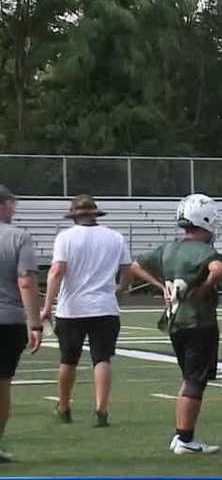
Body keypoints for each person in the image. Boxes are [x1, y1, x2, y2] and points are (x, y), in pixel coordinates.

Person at [129, 195, 222, 454]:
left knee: (188, 377)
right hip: (198, 321)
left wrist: (160, 286)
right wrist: (205, 287)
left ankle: (180, 435)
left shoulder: (168, 248)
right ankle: (185, 439)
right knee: (195, 380)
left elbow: (135, 265)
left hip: (175, 322)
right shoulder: (205, 251)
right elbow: (217, 269)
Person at [39, 195, 130, 427]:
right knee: (102, 358)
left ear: (74, 216)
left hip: (72, 308)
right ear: (95, 214)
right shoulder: (115, 237)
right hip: (105, 306)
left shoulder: (66, 237)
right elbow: (126, 269)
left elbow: (57, 271)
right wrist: (119, 289)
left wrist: (47, 305)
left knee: (68, 360)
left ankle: (64, 405)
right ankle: (101, 409)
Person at [0, 186, 42, 461]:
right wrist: (35, 323)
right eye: (12, 204)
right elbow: (25, 281)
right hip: (8, 319)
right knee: (2, 383)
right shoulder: (17, 237)